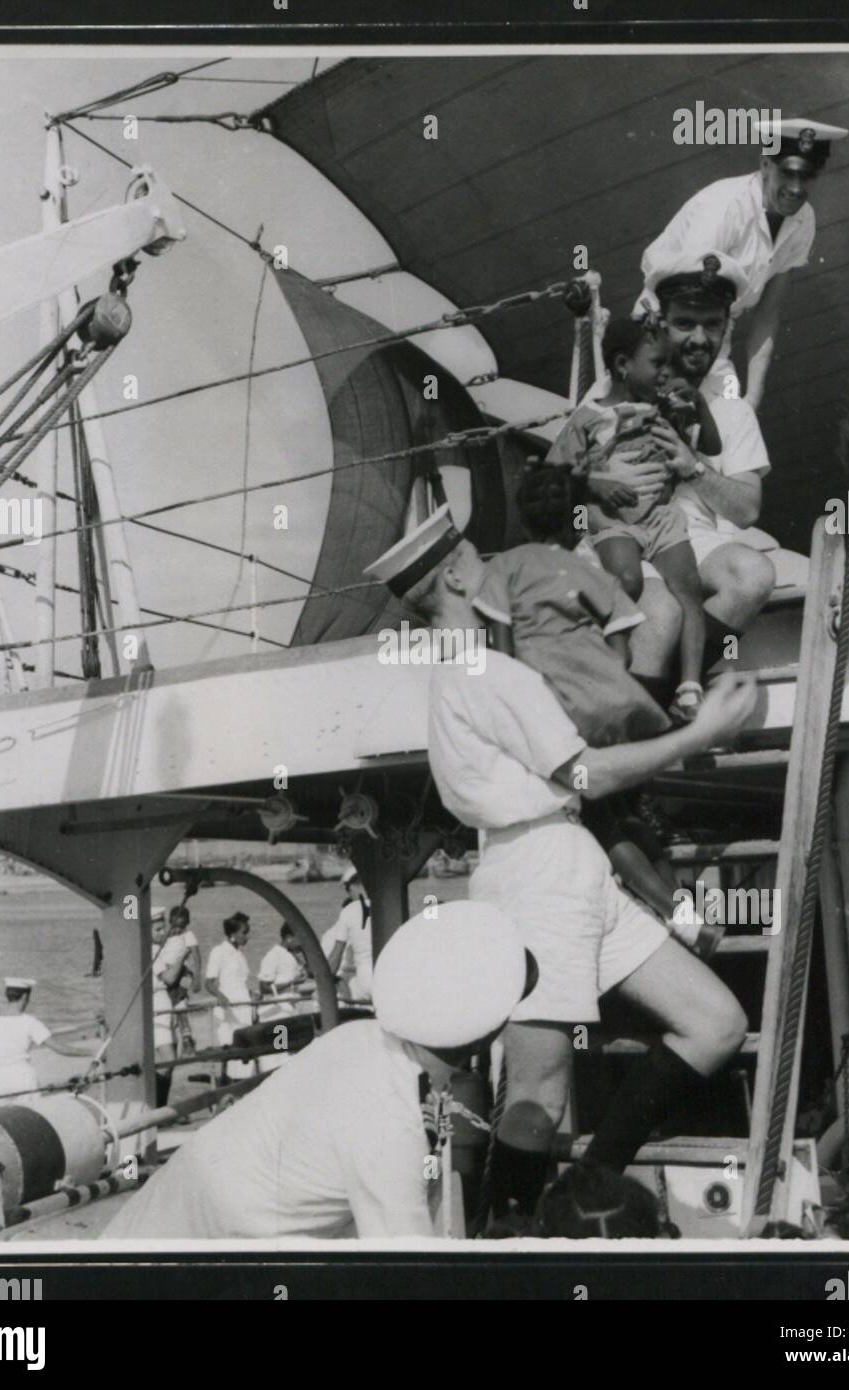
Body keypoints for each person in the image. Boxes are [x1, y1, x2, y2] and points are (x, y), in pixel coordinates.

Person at [364, 505, 754, 1225]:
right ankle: (514, 1244)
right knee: (537, 1098)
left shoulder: (476, 670)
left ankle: (588, 1187)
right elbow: (586, 777)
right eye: (481, 558)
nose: (498, 566)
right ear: (455, 574)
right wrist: (700, 732)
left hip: (569, 868)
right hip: (539, 877)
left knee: (717, 1022)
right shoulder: (485, 673)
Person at [103, 902, 536, 1240]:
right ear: (486, 1034)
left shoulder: (360, 1038)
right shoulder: (391, 1121)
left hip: (166, 1215)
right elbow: (408, 1272)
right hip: (200, 1256)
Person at [597, 252, 777, 674]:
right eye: (685, 324)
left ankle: (675, 695)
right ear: (660, 323)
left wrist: (693, 466)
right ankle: (662, 720)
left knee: (753, 575)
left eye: (712, 325)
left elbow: (747, 510)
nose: (699, 339)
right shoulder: (614, 394)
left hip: (692, 541)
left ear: (726, 327)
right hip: (621, 539)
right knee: (661, 615)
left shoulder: (732, 413)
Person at [546, 317, 720, 721]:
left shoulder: (666, 409)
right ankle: (604, 663)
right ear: (624, 365)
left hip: (659, 517)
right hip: (613, 519)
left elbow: (711, 444)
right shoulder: (588, 417)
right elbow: (554, 475)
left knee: (689, 590)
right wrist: (595, 485)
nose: (667, 373)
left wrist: (700, 404)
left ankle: (689, 689)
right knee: (628, 581)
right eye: (658, 364)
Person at [637, 117, 849, 407]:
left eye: (807, 176)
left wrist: (753, 396)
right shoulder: (725, 207)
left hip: (713, 342)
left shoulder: (804, 220)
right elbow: (686, 304)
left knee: (734, 421)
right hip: (664, 334)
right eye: (787, 173)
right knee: (656, 429)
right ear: (765, 165)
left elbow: (768, 311)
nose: (796, 187)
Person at [473, 466, 670, 745]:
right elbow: (621, 657)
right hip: (605, 708)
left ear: (524, 523)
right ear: (573, 522)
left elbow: (502, 653)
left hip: (545, 706)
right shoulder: (595, 574)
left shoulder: (503, 567)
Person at [0, 978, 96, 1103]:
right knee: (28, 1119)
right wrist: (92, 1052)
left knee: (0, 1120)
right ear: (25, 997)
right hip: (22, 1077)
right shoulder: (30, 1022)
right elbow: (60, 1048)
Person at [204, 913, 255, 1083]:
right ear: (233, 934)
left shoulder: (240, 954)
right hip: (229, 1009)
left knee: (244, 1054)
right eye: (244, 932)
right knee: (230, 1050)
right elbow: (209, 983)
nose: (246, 936)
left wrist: (251, 993)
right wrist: (220, 996)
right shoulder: (219, 952)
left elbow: (241, 982)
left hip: (244, 1008)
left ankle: (241, 1087)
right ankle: (227, 1087)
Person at [150, 909, 188, 1109]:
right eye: (157, 929)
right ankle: (156, 1107)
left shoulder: (161, 950)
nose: (162, 931)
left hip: (168, 1008)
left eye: (162, 927)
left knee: (173, 1063)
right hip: (157, 1009)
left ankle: (162, 1109)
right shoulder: (149, 952)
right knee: (168, 1061)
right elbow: (169, 978)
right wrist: (183, 956)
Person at [323, 866, 373, 1003]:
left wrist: (324, 982)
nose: (348, 894)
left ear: (354, 886)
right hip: (390, 973)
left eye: (347, 889)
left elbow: (336, 955)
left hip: (366, 977)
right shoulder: (389, 904)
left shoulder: (350, 911)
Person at [162, 905, 201, 1056]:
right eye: (175, 926)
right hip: (170, 972)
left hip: (185, 973)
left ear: (187, 923)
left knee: (179, 1000)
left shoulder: (188, 935)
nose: (178, 929)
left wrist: (197, 978)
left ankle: (186, 1037)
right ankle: (185, 1037)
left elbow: (196, 956)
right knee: (176, 1003)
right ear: (170, 921)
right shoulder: (166, 935)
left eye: (182, 926)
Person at [257, 923, 306, 1019]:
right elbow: (263, 988)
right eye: (300, 938)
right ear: (289, 938)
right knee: (282, 1034)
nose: (302, 942)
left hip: (293, 1007)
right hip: (280, 1009)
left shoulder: (292, 955)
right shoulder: (273, 955)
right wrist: (292, 983)